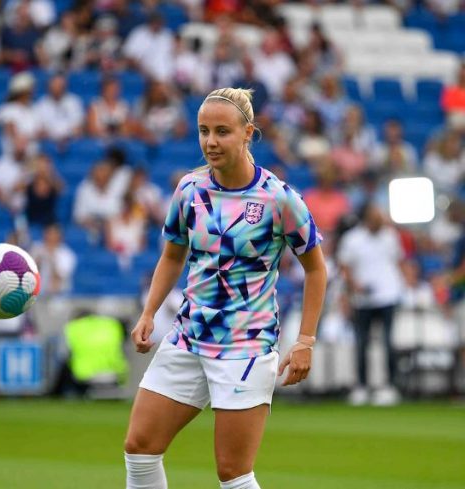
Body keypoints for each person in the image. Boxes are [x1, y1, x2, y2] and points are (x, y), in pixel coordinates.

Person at [124, 87, 327, 489]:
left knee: (233, 472)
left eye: (222, 131)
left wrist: (305, 340)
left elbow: (316, 270)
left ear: (248, 133)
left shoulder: (280, 199)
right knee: (139, 446)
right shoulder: (189, 189)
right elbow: (172, 255)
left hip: (245, 349)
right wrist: (149, 312)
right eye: (204, 131)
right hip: (188, 337)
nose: (211, 142)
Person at [337, 202, 405, 406]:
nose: (380, 220)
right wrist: (354, 286)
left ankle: (390, 386)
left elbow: (397, 262)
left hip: (388, 295)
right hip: (363, 299)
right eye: (376, 217)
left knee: (388, 343)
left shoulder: (390, 236)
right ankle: (362, 386)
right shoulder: (352, 239)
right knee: (361, 343)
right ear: (366, 218)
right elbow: (345, 266)